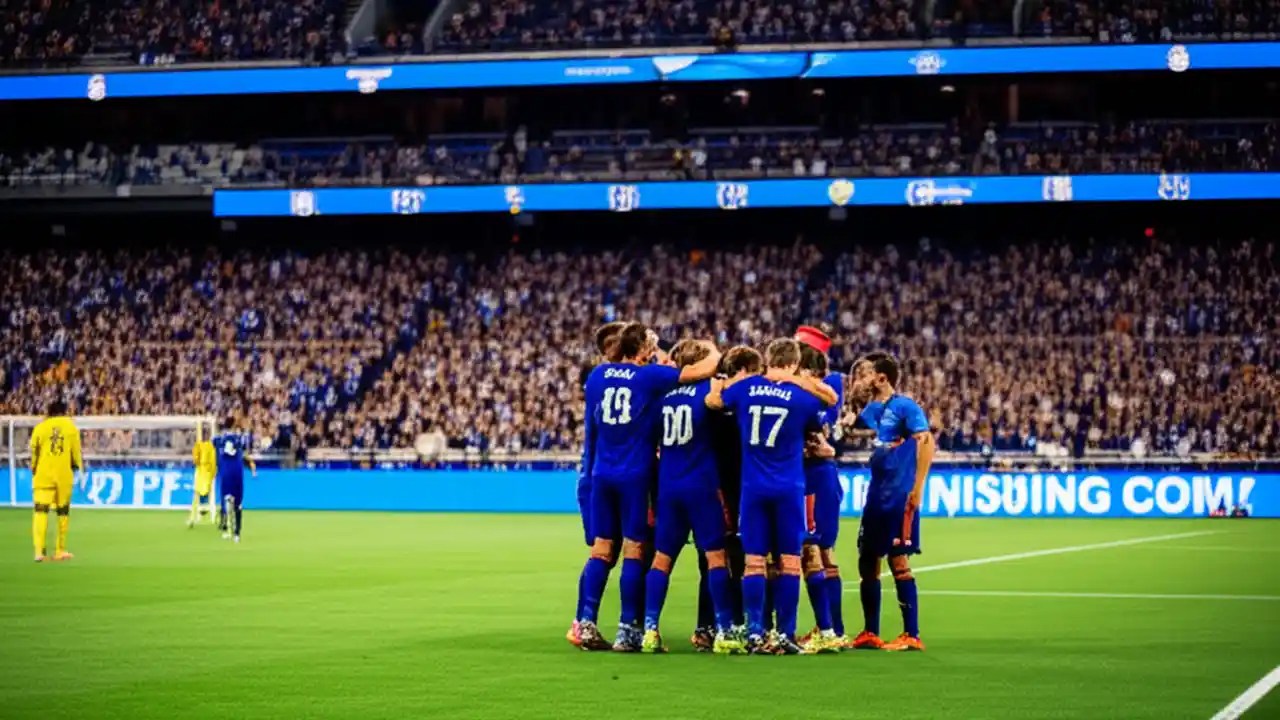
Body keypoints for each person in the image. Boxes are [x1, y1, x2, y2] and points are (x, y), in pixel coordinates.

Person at [575, 322, 720, 651]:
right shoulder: (649, 376)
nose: (655, 350)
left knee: (601, 549)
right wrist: (713, 352)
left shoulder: (598, 375)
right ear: (640, 348)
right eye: (651, 344)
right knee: (635, 550)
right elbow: (701, 370)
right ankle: (627, 629)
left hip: (602, 473)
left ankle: (585, 622)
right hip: (635, 474)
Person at [707, 340, 836, 654]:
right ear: (794, 364)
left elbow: (714, 400)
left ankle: (755, 633)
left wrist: (721, 386)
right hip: (789, 487)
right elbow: (829, 402)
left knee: (754, 562)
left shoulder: (745, 388)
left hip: (753, 487)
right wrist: (799, 381)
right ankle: (785, 635)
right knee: (790, 561)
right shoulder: (801, 397)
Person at [641, 339, 742, 654]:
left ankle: (649, 630)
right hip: (702, 485)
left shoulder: (662, 397)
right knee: (715, 558)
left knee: (662, 559)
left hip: (669, 486)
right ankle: (724, 631)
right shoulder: (710, 392)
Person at [848, 353, 935, 652]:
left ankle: (911, 633)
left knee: (898, 559)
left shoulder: (905, 406)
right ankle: (870, 632)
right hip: (877, 494)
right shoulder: (874, 409)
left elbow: (927, 442)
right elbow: (850, 428)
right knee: (867, 559)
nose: (862, 379)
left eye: (867, 373)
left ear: (882, 377)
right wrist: (851, 401)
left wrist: (917, 488)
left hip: (899, 493)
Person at [568, 321, 627, 647]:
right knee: (605, 551)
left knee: (612, 552)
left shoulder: (605, 379)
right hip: (599, 478)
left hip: (605, 475)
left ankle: (588, 622)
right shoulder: (601, 378)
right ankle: (583, 622)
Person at [793, 326, 846, 652]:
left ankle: (830, 629)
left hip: (815, 476)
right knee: (817, 552)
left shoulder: (830, 384)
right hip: (812, 473)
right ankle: (831, 629)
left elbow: (819, 425)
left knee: (816, 551)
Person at [29, 399, 82, 562]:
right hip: (63, 476)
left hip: (43, 475)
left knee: (40, 512)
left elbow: (34, 451)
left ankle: (39, 552)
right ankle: (60, 550)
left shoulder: (40, 428)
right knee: (63, 512)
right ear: (64, 412)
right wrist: (78, 468)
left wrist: (34, 467)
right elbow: (76, 452)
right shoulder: (71, 427)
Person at [214, 417, 257, 543]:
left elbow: (214, 445)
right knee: (238, 504)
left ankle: (227, 528)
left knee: (226, 501)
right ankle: (237, 532)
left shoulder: (219, 439)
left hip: (226, 473)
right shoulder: (239, 438)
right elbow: (245, 451)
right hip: (237, 472)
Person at [189, 430, 218, 528]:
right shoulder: (207, 446)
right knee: (200, 495)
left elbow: (196, 460)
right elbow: (196, 459)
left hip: (204, 472)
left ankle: (201, 517)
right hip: (204, 472)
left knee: (201, 495)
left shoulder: (207, 446)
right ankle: (196, 517)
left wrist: (213, 472)